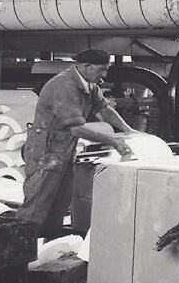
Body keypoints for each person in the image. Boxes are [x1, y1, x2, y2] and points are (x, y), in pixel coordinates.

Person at [16, 49, 136, 238]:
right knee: (37, 205)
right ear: (86, 67)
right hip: (45, 151)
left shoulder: (89, 85)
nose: (104, 75)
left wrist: (128, 130)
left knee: (59, 205)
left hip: (64, 150)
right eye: (101, 70)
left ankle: (48, 253)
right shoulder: (65, 86)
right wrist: (112, 140)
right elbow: (75, 128)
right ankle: (20, 255)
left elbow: (104, 109)